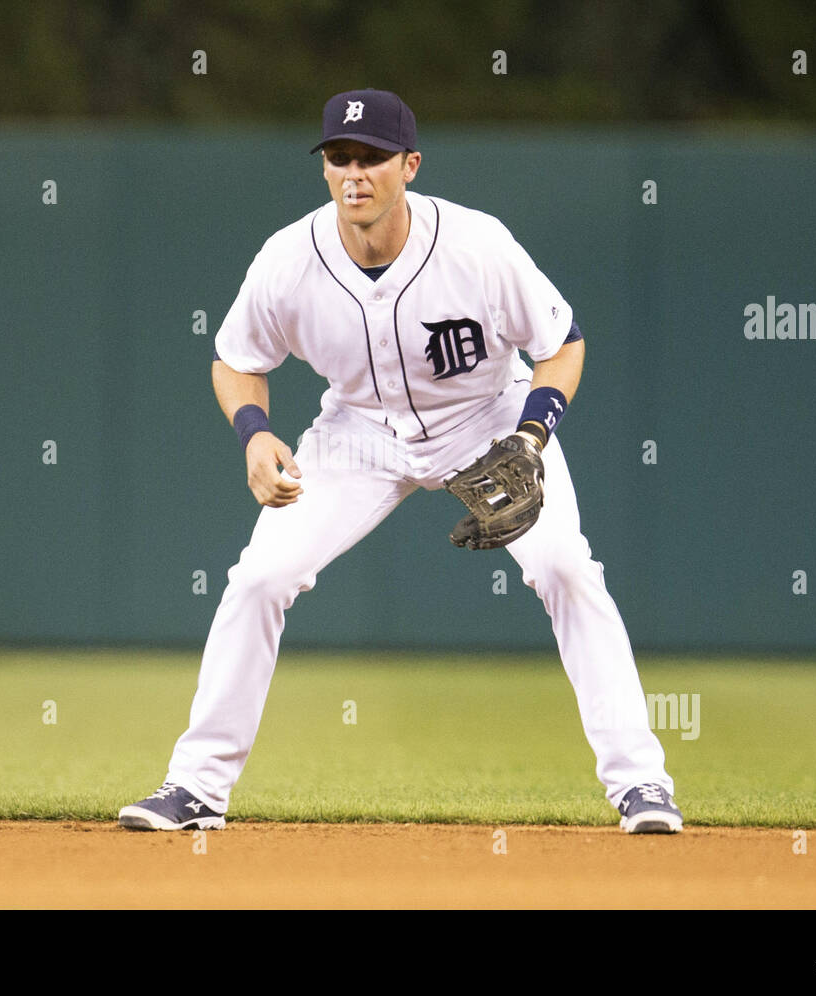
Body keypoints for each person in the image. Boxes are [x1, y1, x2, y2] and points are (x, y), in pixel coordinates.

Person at [119, 88, 683, 835]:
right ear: (325, 169)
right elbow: (234, 361)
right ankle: (195, 788)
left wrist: (531, 437)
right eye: (339, 158)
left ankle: (642, 785)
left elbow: (563, 344)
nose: (354, 173)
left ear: (409, 165)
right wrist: (254, 432)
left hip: (488, 421)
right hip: (357, 433)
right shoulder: (289, 259)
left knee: (566, 571)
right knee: (260, 578)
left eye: (373, 158)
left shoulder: (476, 246)